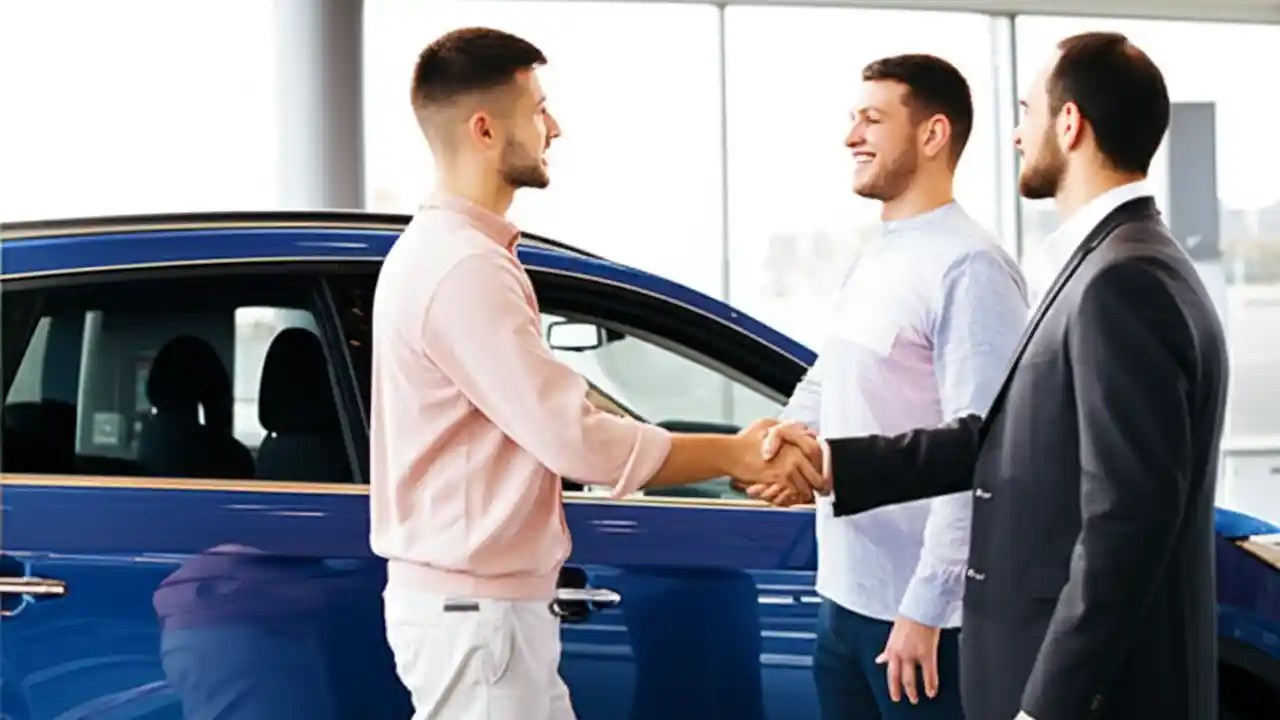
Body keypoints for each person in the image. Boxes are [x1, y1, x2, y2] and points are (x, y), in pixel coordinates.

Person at [759, 32, 1228, 720]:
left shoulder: (1121, 279)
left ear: (1069, 124)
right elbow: (993, 442)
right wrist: (832, 462)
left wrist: (1045, 705)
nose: (1015, 134)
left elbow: (1126, 522)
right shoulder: (1113, 263)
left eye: (1027, 110)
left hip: (1096, 692)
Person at [367, 27, 820, 720]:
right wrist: (733, 453)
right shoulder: (463, 268)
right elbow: (572, 438)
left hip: (485, 615)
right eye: (537, 110)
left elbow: (551, 408)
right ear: (485, 129)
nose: (554, 127)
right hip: (480, 619)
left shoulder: (454, 255)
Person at [780, 54, 1026, 719]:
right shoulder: (882, 250)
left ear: (933, 133)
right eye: (853, 118)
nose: (851, 136)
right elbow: (831, 372)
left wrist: (926, 607)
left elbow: (981, 449)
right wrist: (784, 439)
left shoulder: (971, 266)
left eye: (871, 119)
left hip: (920, 624)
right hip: (844, 600)